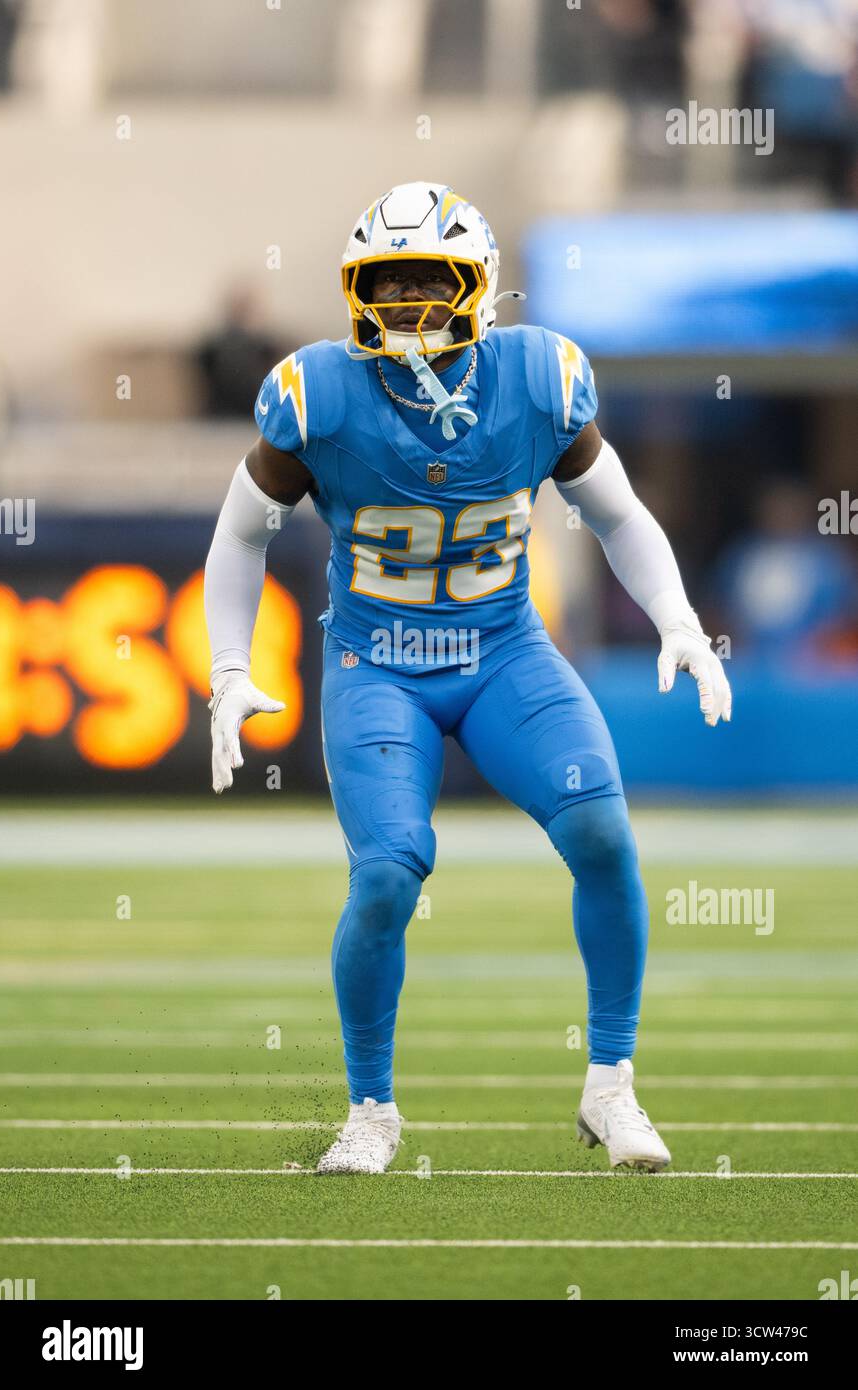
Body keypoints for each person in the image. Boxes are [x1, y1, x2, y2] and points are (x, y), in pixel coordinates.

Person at [203, 182, 731, 1175]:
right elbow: (238, 536)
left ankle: (609, 1086)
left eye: (425, 281)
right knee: (385, 878)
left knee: (601, 834)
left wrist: (677, 621)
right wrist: (227, 667)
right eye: (383, 284)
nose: (402, 305)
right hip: (376, 667)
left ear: (477, 287)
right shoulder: (319, 392)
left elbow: (616, 513)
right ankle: (370, 1110)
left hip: (503, 652)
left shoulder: (537, 378)